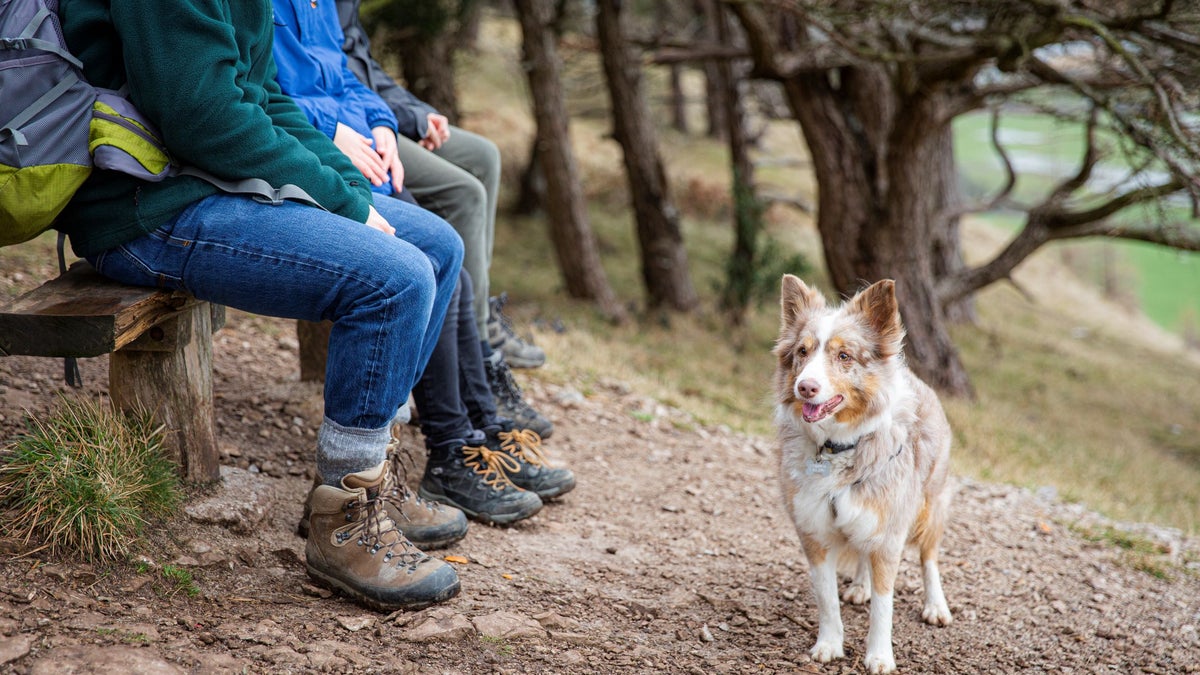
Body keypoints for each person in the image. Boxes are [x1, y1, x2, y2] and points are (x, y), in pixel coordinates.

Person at [57, 0, 463, 612]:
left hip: (210, 181)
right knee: (395, 277)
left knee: (435, 245)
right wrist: (346, 207)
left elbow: (266, 97)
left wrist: (348, 191)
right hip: (144, 206)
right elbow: (202, 117)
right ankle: (345, 521)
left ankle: (371, 475)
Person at [269, 0, 575, 526]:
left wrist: (383, 122)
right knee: (430, 257)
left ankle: (474, 431)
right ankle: (454, 444)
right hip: (301, 154)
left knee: (444, 249)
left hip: (350, 143)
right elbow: (261, 92)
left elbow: (345, 72)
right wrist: (336, 129)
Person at [335, 0, 556, 438]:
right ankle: (475, 366)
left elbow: (357, 68)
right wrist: (352, 125)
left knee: (482, 157)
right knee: (455, 210)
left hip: (364, 118)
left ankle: (481, 334)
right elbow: (291, 86)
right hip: (339, 130)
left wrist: (413, 113)